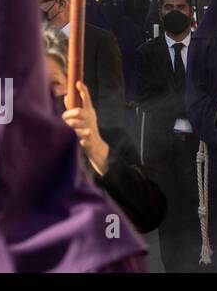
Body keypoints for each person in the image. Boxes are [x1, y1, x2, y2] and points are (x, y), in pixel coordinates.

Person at [44, 28, 166, 235]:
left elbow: (149, 213)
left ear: (73, 87)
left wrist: (96, 149)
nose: (44, 93)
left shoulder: (108, 139)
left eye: (54, 83)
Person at [131, 0, 200, 271]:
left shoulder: (204, 49)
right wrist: (181, 113)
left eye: (180, 8)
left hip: (200, 151)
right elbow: (145, 98)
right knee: (169, 221)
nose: (175, 13)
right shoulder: (146, 53)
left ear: (191, 11)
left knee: (200, 216)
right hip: (163, 154)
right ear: (160, 12)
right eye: (169, 8)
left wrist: (192, 114)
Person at [37, 0, 127, 138]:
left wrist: (96, 144)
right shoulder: (31, 42)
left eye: (37, 3)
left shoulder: (100, 41)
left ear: (61, 4)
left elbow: (111, 100)